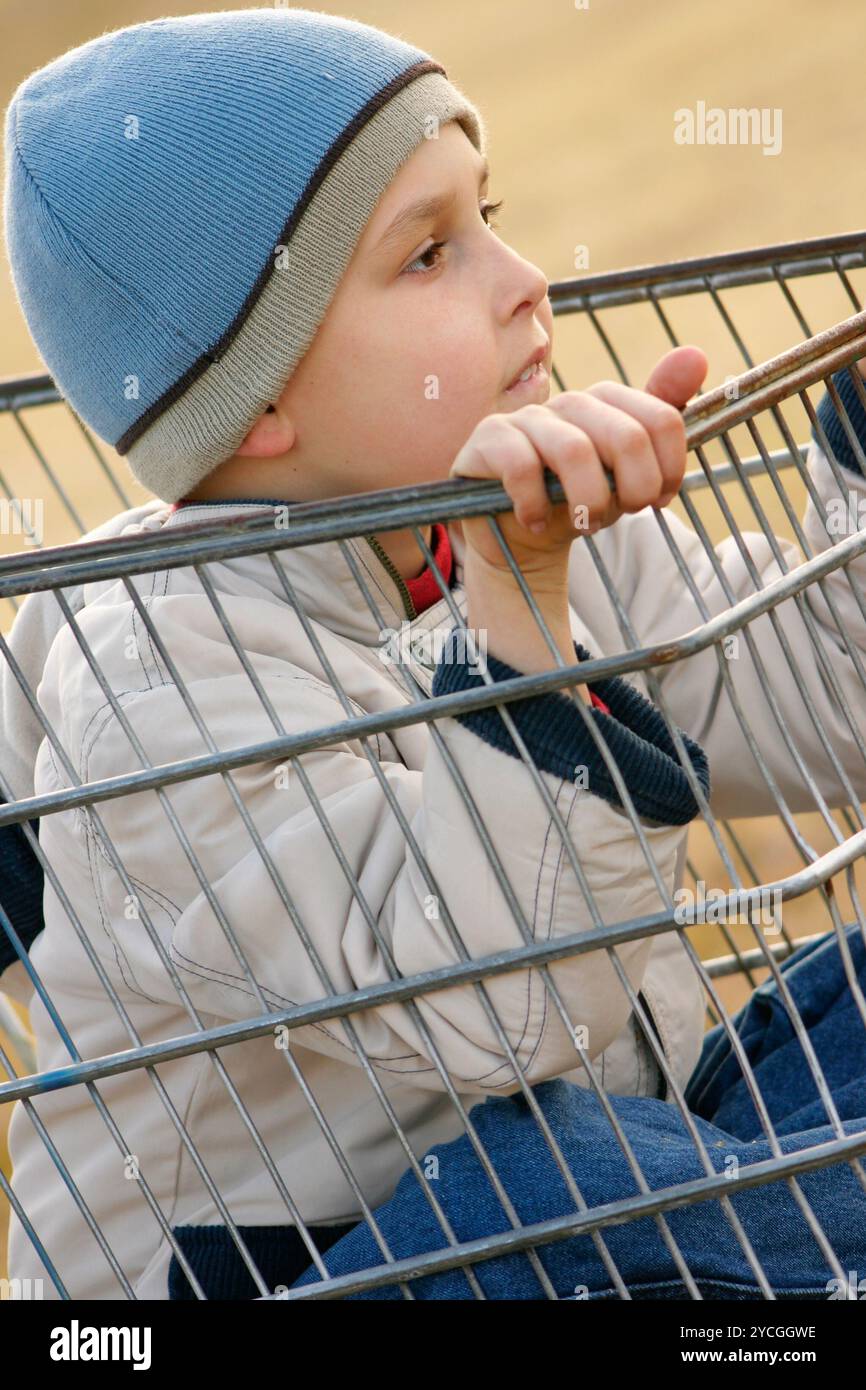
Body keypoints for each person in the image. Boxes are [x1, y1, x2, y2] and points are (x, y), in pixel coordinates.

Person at [0, 8, 863, 1301]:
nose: (523, 277)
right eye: (429, 254)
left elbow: (812, 706)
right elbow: (506, 1020)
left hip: (600, 1148)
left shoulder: (501, 518)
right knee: (565, 1170)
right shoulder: (158, 675)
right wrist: (520, 614)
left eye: (491, 210)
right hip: (282, 1266)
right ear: (264, 393)